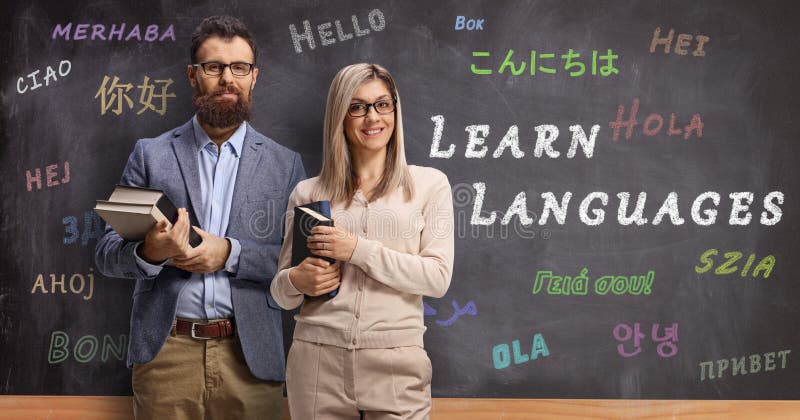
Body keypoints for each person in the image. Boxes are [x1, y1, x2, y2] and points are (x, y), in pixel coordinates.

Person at [94, 15, 304, 419]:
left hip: (252, 359)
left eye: (239, 67)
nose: (228, 78)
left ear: (254, 77)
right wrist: (150, 253)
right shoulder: (150, 154)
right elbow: (106, 253)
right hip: (166, 357)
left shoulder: (285, 165)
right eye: (214, 67)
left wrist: (229, 253)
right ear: (193, 76)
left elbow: (296, 262)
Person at [270, 63, 454, 420]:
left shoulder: (431, 185)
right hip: (316, 362)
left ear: (395, 111)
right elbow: (280, 293)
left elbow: (437, 278)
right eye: (358, 106)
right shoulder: (308, 192)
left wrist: (357, 250)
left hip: (396, 363)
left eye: (382, 104)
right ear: (341, 115)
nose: (373, 117)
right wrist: (296, 280)